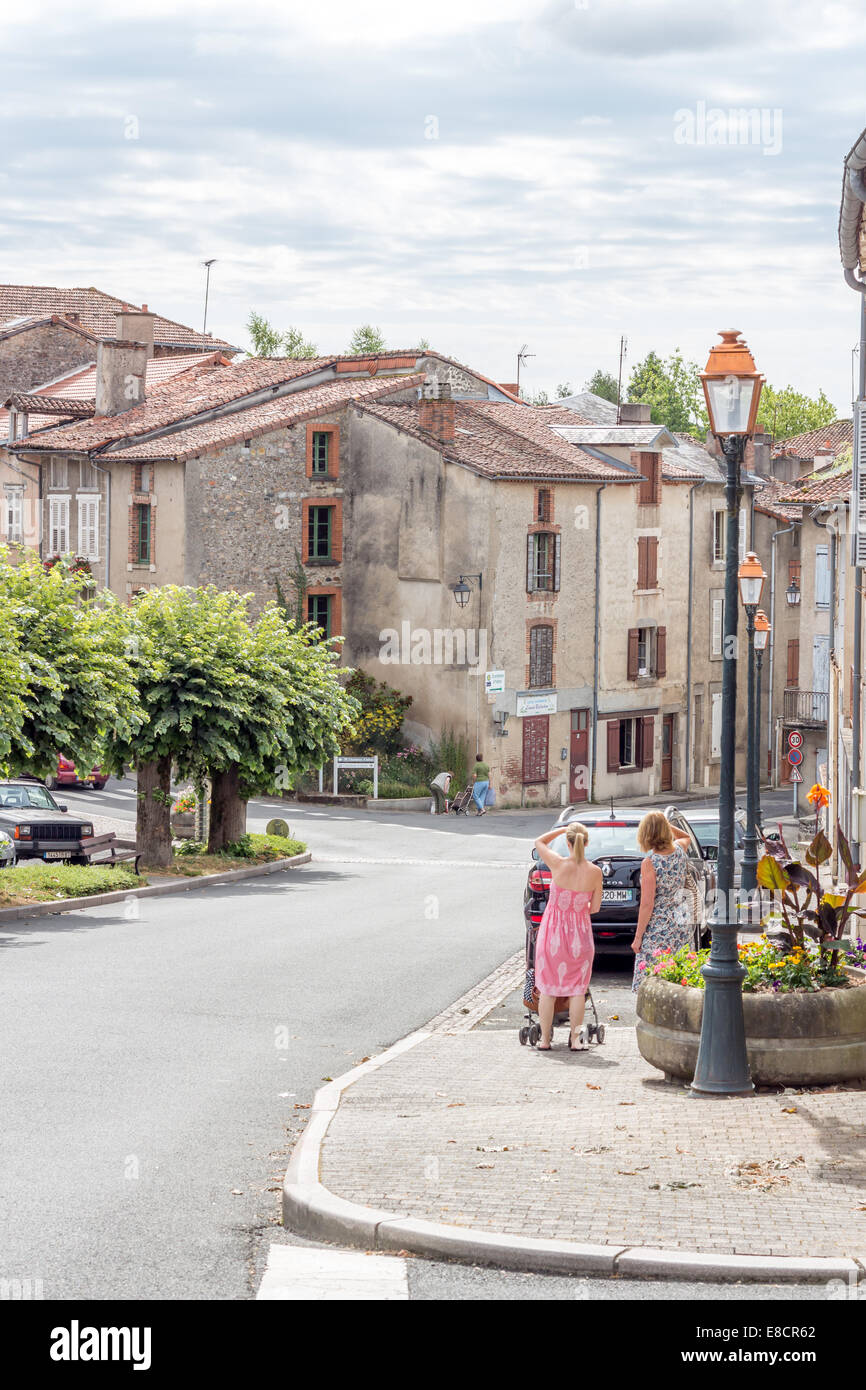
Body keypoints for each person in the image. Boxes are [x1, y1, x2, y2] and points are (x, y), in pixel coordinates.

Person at [532, 822, 602, 1050]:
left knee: (548, 988)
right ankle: (575, 1040)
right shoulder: (595, 872)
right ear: (587, 842)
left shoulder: (558, 864)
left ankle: (544, 1040)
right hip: (580, 936)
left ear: (569, 843)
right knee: (577, 989)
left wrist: (562, 830)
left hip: (552, 934)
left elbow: (539, 841)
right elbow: (594, 908)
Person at [631, 810, 692, 991]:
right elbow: (686, 835)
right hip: (681, 922)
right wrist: (665, 822)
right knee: (678, 975)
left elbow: (647, 904)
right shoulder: (680, 849)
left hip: (660, 926)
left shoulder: (650, 862)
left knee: (654, 979)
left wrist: (638, 937)